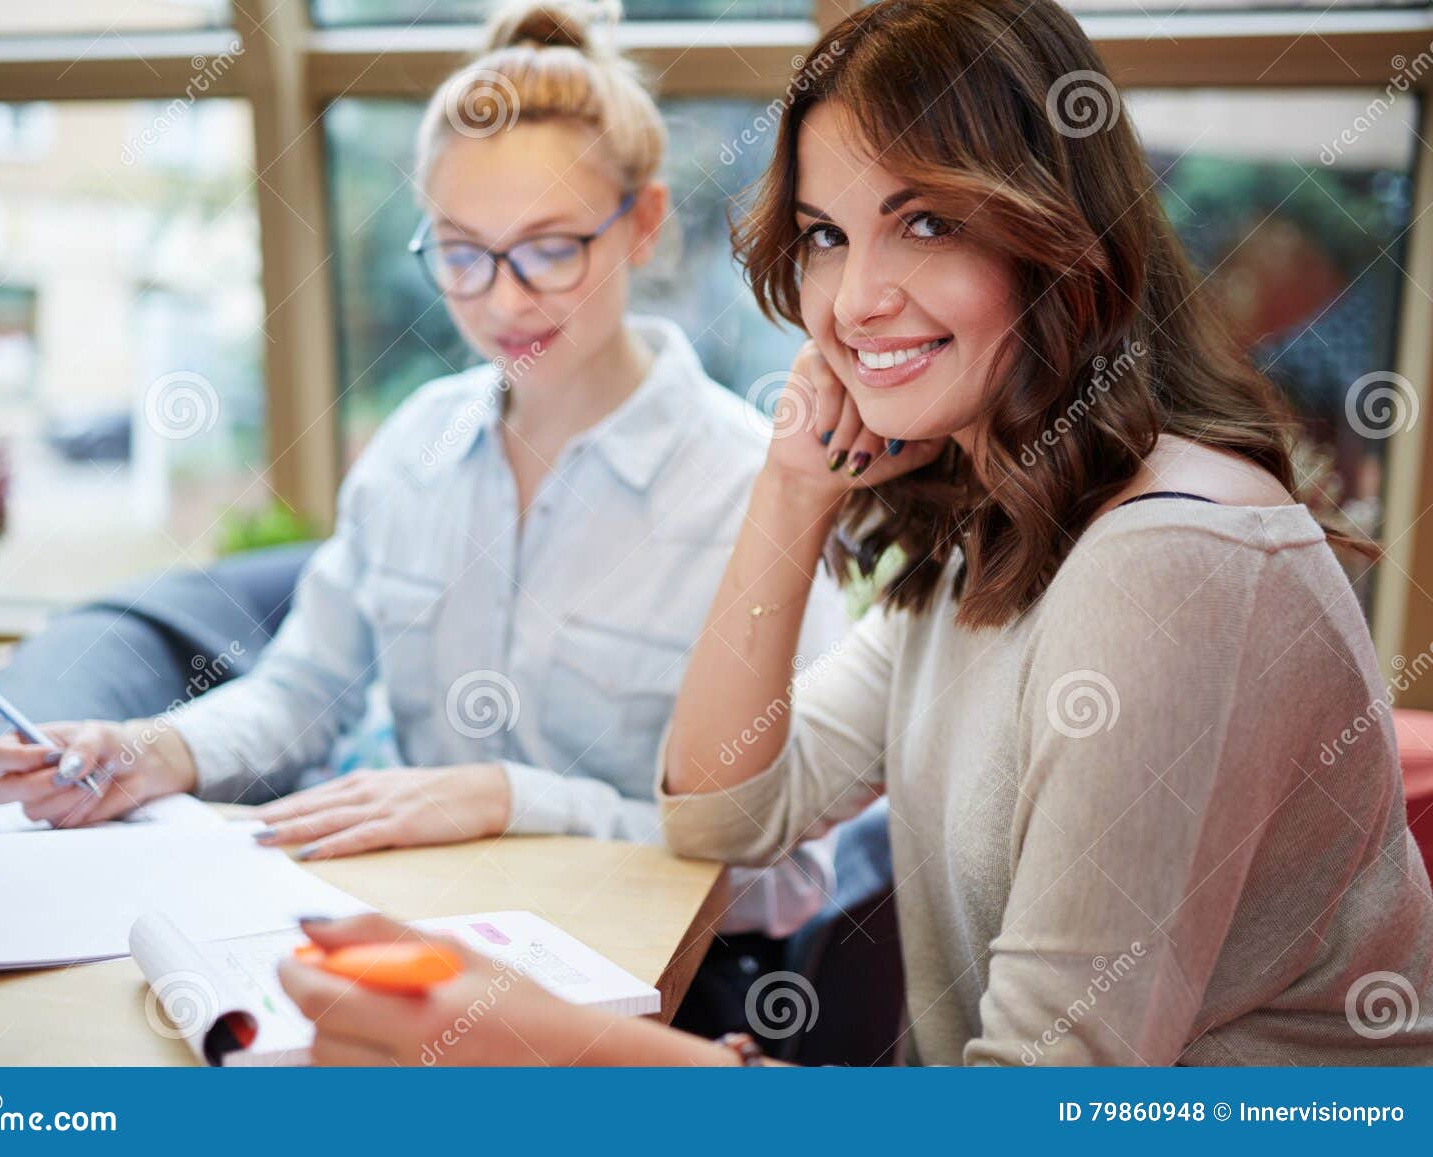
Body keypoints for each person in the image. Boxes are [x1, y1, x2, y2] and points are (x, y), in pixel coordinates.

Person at [275, 0, 1433, 1066]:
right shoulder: (993, 523)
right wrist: (792, 488)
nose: (853, 299)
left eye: (924, 222)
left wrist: (552, 1045)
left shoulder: (1170, 561)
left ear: (1058, 236)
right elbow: (724, 811)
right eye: (825, 234)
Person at [0, 0, 845, 952]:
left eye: (552, 249)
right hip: (407, 946)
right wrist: (155, 750)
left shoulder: (752, 491)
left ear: (642, 223)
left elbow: (786, 877)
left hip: (646, 995)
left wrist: (516, 800)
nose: (504, 300)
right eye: (463, 253)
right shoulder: (417, 447)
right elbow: (304, 689)